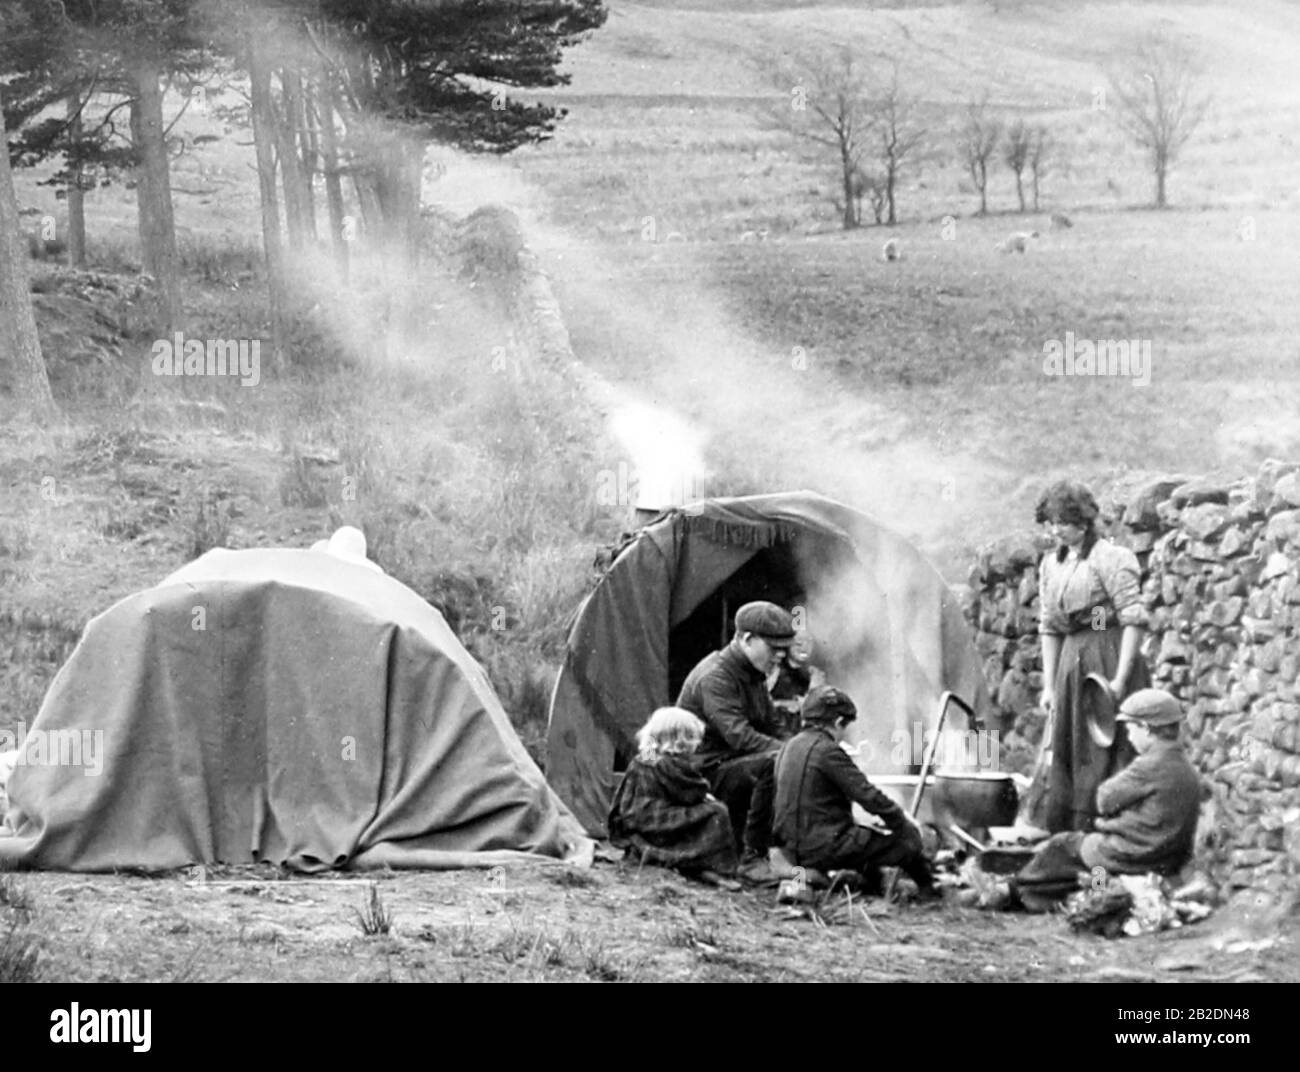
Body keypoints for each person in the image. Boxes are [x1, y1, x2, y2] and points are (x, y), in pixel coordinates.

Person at [1029, 480, 1150, 833]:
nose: (1055, 531)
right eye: (1050, 523)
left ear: (1083, 522)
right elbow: (1050, 627)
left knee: (1106, 747)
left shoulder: (1110, 558)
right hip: (1072, 663)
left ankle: (1109, 834)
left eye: (1063, 523)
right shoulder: (1051, 564)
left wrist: (1120, 679)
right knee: (1073, 750)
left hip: (1107, 658)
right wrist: (1049, 686)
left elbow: (1132, 619)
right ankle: (1072, 834)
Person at [1013, 689, 1202, 902]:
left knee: (1062, 846)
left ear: (1146, 729)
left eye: (1131, 730)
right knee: (1085, 860)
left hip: (1131, 853)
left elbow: (1104, 799)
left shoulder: (1149, 765)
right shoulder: (1185, 767)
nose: (1129, 738)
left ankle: (1018, 890)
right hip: (1164, 857)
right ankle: (1092, 893)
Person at [772, 685, 939, 900]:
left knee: (860, 839)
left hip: (791, 850)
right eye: (845, 727)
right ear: (838, 722)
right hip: (821, 848)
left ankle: (874, 885)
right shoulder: (828, 750)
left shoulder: (787, 747)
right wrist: (903, 824)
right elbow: (868, 796)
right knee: (907, 843)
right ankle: (929, 892)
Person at [676, 601, 795, 863]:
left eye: (784, 649)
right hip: (701, 775)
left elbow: (773, 725)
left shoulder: (753, 674)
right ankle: (751, 858)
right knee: (772, 765)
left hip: (729, 767)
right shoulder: (715, 676)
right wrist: (795, 753)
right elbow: (740, 736)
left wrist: (803, 748)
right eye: (774, 648)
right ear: (747, 639)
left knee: (788, 759)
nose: (780, 656)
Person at [607, 707, 739, 888]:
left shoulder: (646, 757)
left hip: (635, 820)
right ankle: (708, 866)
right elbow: (691, 793)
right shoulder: (671, 765)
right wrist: (704, 795)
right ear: (680, 740)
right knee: (717, 811)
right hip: (656, 821)